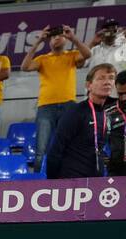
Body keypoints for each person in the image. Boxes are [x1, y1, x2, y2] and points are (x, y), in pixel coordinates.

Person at [20, 24, 90, 171]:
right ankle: (40, 179)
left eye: (60, 35)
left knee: (69, 144)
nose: (56, 38)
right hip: (46, 107)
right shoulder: (42, 58)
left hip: (68, 105)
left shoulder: (71, 55)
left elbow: (88, 54)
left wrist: (73, 38)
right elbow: (24, 67)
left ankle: (67, 174)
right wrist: (38, 42)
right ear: (49, 41)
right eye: (52, 36)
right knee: (41, 148)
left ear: (65, 39)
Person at [46, 63, 115, 179]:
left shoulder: (108, 113)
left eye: (111, 78)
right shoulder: (76, 111)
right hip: (72, 180)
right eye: (101, 78)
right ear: (89, 85)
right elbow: (56, 148)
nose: (107, 82)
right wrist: (53, 183)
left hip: (94, 179)